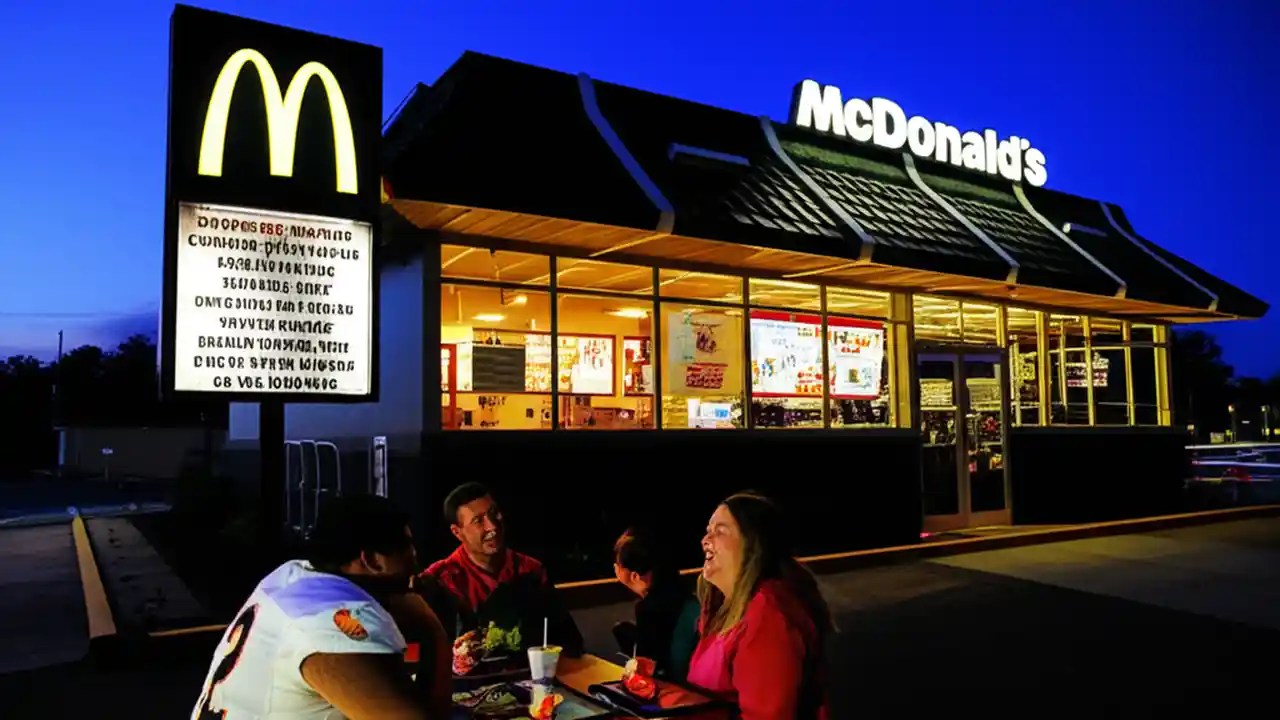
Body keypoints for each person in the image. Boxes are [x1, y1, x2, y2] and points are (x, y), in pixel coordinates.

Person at [190, 494, 450, 720]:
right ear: (372, 559)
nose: (415, 557)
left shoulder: (292, 575)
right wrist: (432, 629)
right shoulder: (334, 622)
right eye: (406, 546)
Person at [686, 491, 832, 720]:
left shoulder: (767, 617)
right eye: (708, 531)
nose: (705, 540)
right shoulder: (724, 608)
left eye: (720, 531)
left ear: (752, 545)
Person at [416, 482, 584, 656]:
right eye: (478, 521)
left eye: (493, 513)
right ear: (457, 532)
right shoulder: (441, 580)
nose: (492, 526)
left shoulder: (530, 570)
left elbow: (570, 641)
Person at [611, 527, 700, 680]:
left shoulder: (650, 610)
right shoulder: (686, 597)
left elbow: (650, 670)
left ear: (635, 576)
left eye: (619, 565)